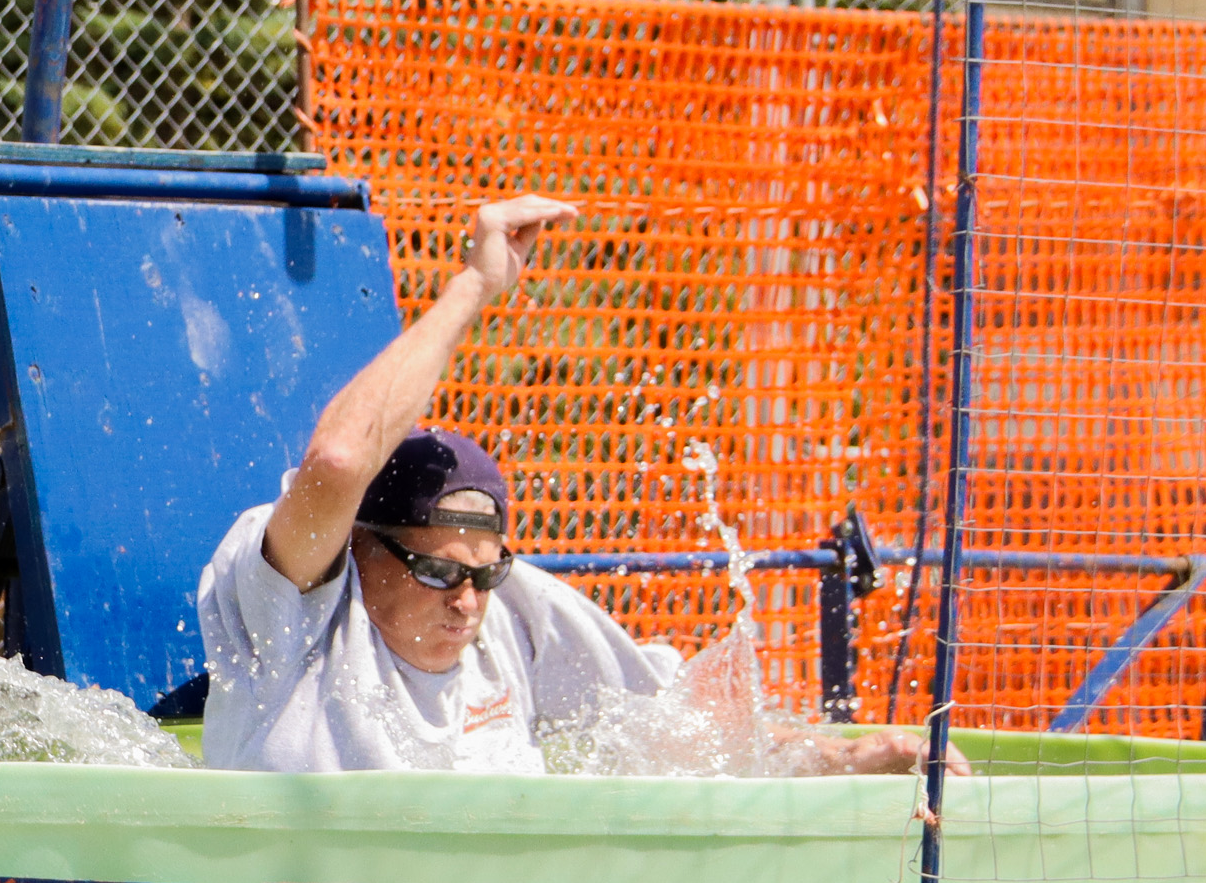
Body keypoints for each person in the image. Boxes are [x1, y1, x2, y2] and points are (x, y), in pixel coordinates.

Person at [198, 194, 970, 777]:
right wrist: (475, 282)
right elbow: (338, 459)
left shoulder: (511, 616)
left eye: (484, 570)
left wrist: (860, 754)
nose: (466, 600)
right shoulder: (292, 622)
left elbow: (690, 730)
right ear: (358, 547)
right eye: (436, 570)